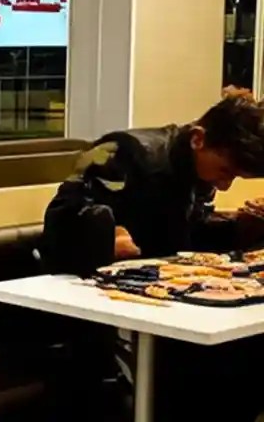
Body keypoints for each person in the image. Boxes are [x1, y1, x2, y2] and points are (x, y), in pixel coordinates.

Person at [40, 92, 264, 422]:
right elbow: (59, 223)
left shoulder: (198, 173)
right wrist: (105, 236)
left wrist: (242, 227)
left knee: (245, 355)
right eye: (225, 172)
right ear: (199, 139)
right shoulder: (124, 153)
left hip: (161, 299)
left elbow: (190, 233)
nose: (225, 184)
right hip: (93, 309)